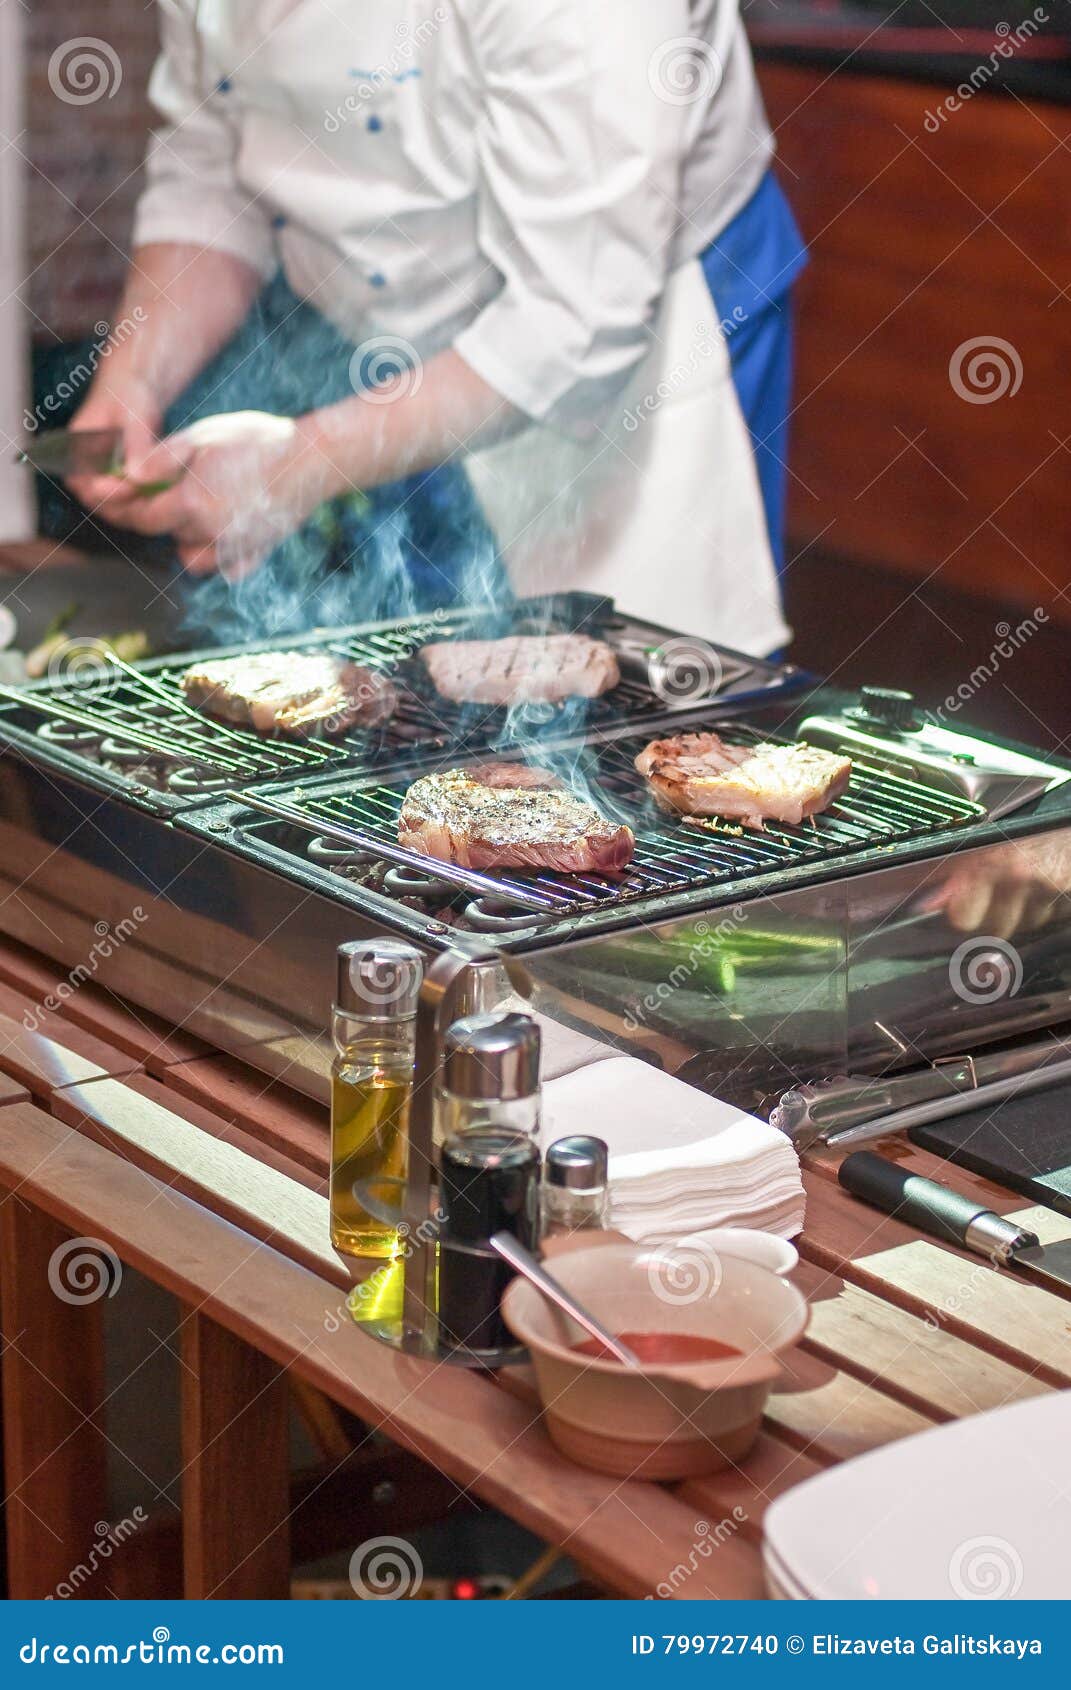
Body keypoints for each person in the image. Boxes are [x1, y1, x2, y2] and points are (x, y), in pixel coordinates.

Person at [69, 1, 806, 649]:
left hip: (638, 311)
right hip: (382, 333)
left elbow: (573, 321)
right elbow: (208, 168)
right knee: (429, 695)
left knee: (654, 697)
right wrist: (133, 381)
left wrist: (293, 468)